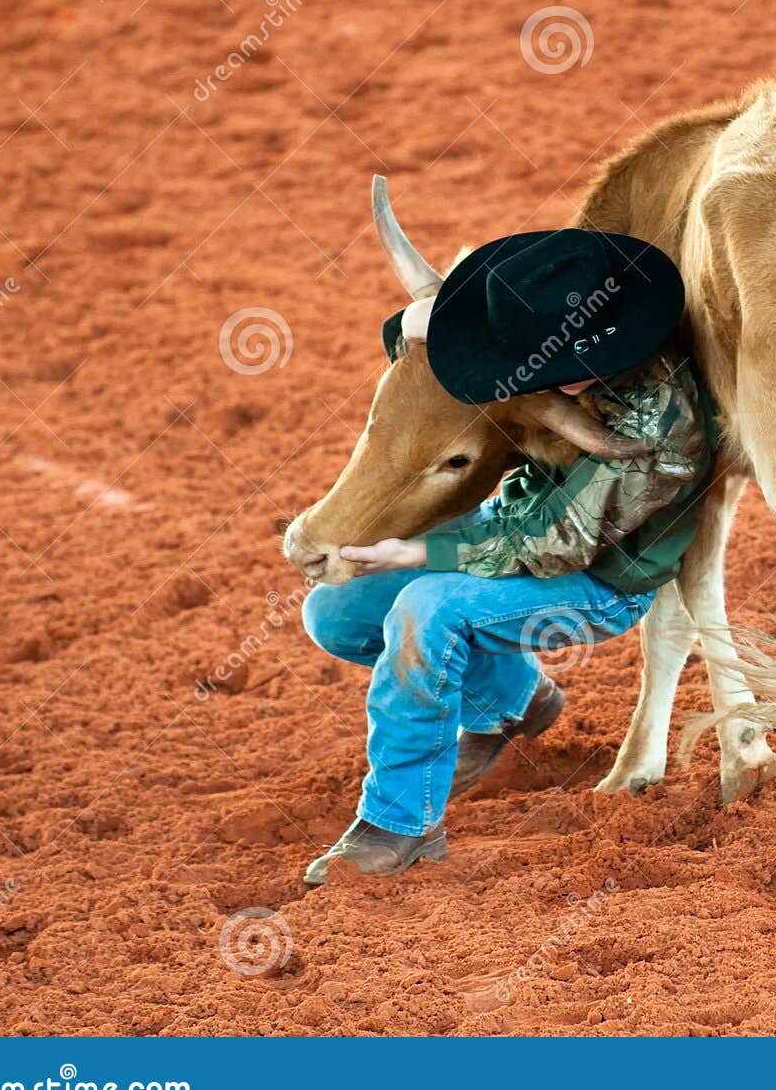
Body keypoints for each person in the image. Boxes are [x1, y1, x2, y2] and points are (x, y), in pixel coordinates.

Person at [298, 228, 715, 886]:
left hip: (598, 579)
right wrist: (411, 326)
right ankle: (512, 701)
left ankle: (399, 825)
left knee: (426, 608)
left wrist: (420, 551)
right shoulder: (543, 341)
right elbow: (433, 384)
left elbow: (560, 545)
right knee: (337, 612)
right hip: (509, 523)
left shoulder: (661, 422)